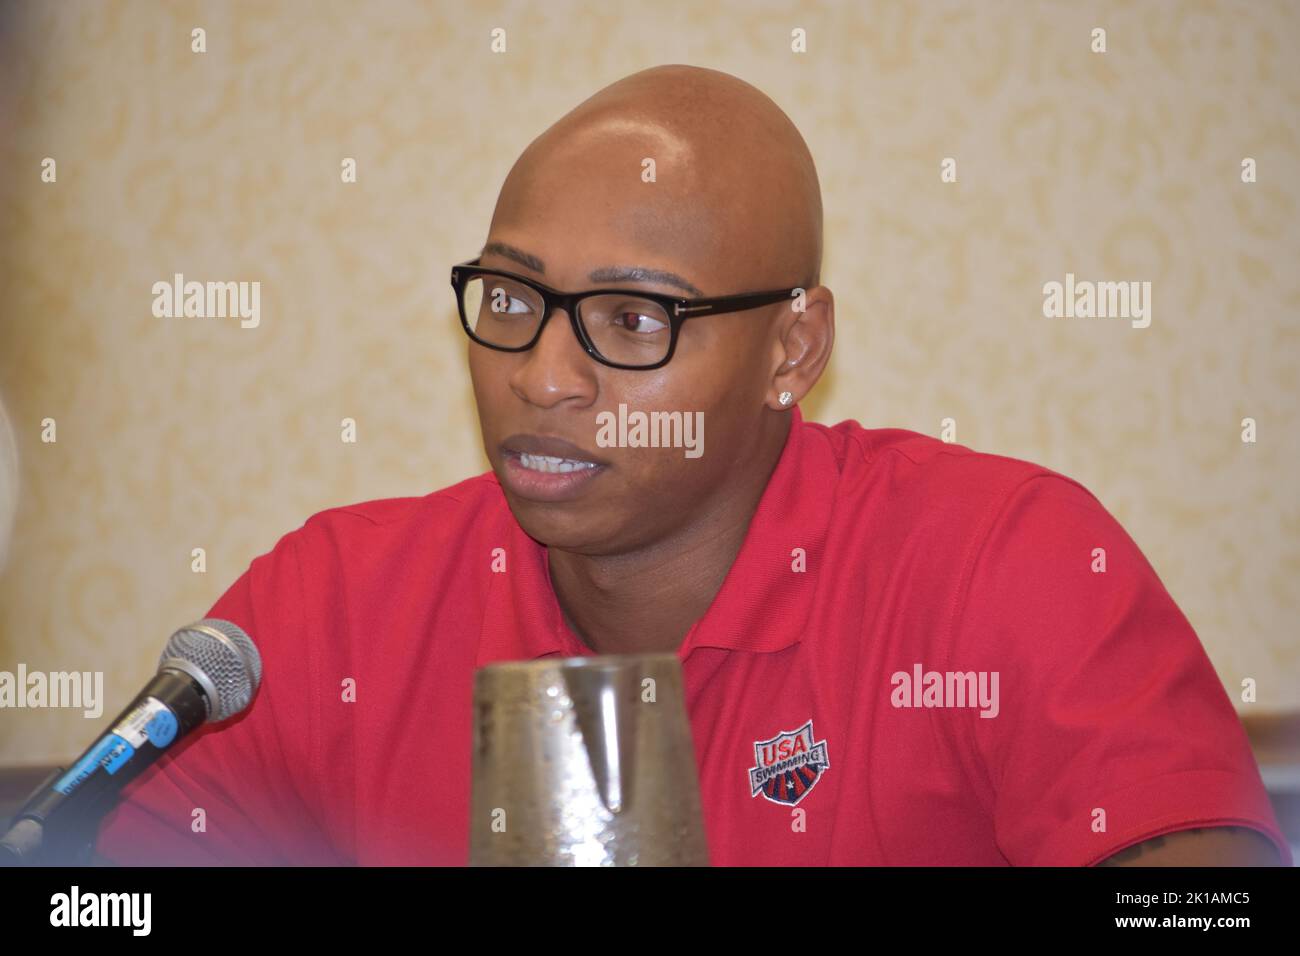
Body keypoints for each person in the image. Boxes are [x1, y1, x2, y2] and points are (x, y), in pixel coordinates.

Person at [94, 64, 1289, 866]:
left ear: (791, 349)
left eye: (629, 320)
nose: (543, 376)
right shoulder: (335, 608)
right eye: (510, 298)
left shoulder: (999, 563)